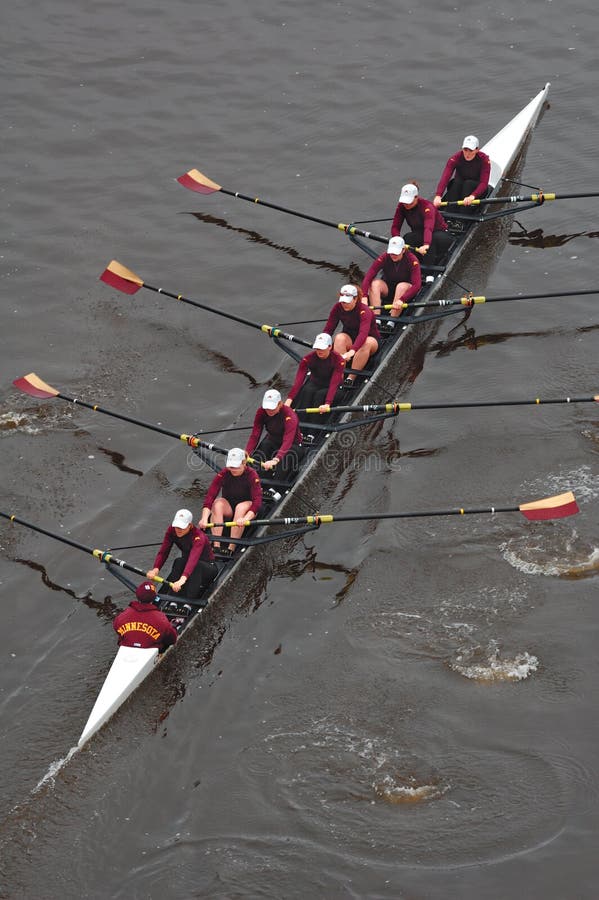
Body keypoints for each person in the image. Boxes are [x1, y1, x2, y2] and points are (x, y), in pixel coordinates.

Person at [198, 447, 263, 555]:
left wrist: (246, 518)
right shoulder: (224, 473)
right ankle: (216, 546)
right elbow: (210, 497)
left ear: (244, 463)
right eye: (231, 466)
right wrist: (204, 519)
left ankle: (231, 548)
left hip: (247, 510)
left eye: (236, 467)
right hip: (230, 509)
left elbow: (257, 502)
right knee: (218, 503)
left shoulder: (252, 475)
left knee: (240, 507)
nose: (232, 469)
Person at [146, 508, 218, 599]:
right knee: (178, 561)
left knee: (196, 566)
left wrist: (182, 579)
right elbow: (164, 551)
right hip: (188, 566)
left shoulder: (199, 537)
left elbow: (193, 559)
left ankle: (189, 601)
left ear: (190, 525)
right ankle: (172, 598)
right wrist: (156, 569)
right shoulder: (171, 530)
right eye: (176, 526)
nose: (178, 530)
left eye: (182, 527)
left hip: (208, 568)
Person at [322, 283, 380, 384]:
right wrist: (322, 343)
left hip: (370, 340)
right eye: (343, 301)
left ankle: (351, 378)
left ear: (355, 299)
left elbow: (363, 333)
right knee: (339, 338)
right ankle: (339, 377)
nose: (344, 304)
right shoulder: (337, 307)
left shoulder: (365, 311)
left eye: (347, 302)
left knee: (366, 342)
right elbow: (329, 329)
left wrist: (352, 351)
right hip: (350, 339)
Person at [361, 235, 422, 324]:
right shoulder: (384, 257)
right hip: (388, 289)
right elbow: (368, 277)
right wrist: (364, 296)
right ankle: (376, 319)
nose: (393, 255)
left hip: (405, 292)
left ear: (403, 250)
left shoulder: (412, 260)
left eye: (396, 253)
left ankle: (391, 321)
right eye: (391, 252)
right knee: (375, 284)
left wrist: (402, 299)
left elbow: (417, 285)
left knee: (401, 286)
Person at [391, 181, 453, 267]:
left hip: (441, 235)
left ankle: (429, 271)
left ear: (416, 197)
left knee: (430, 241)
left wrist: (426, 245)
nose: (406, 205)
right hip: (422, 234)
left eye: (409, 202)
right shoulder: (401, 206)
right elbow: (395, 227)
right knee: (407, 238)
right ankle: (414, 265)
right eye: (404, 202)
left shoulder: (427, 207)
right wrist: (397, 241)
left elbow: (428, 228)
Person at [284, 332, 346, 416]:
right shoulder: (308, 359)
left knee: (320, 395)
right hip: (316, 383)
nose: (319, 351)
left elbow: (334, 383)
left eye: (322, 348)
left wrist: (327, 403)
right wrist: (289, 399)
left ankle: (315, 424)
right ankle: (299, 421)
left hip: (335, 388)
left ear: (330, 347)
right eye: (317, 348)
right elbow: (298, 382)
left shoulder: (338, 360)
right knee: (306, 391)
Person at [245, 388, 304, 476]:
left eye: (272, 408)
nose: (269, 410)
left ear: (280, 404)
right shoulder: (261, 412)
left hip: (292, 446)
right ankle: (257, 478)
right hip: (273, 442)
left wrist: (276, 460)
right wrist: (247, 452)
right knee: (263, 446)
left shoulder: (290, 416)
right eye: (267, 408)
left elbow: (287, 441)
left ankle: (276, 487)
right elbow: (255, 435)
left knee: (286, 457)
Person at [113, 580, 178, 652]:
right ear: (154, 598)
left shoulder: (122, 616)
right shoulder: (161, 619)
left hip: (126, 647)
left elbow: (116, 628)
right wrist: (173, 626)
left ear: (137, 595)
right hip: (151, 650)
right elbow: (172, 640)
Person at [433, 134, 491, 212]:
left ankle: (462, 216)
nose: (467, 154)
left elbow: (484, 183)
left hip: (477, 192)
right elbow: (445, 178)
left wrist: (472, 196)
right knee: (455, 182)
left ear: (477, 150)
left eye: (471, 150)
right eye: (465, 150)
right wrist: (438, 195)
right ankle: (450, 212)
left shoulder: (484, 160)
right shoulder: (455, 158)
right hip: (460, 189)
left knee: (468, 184)